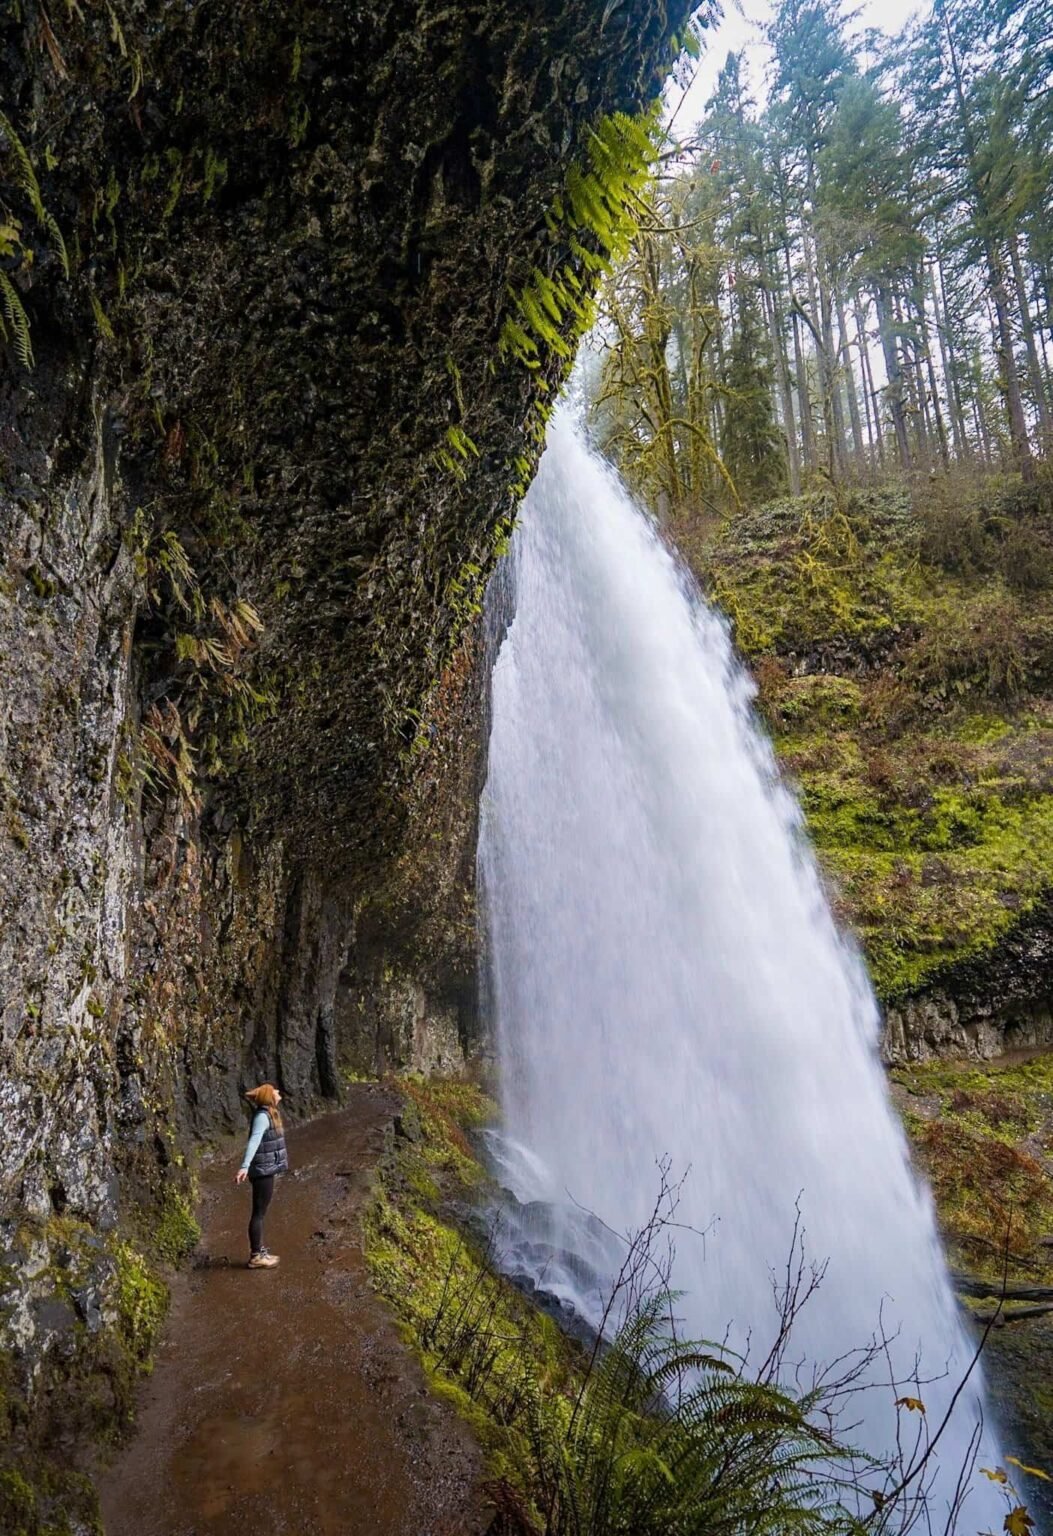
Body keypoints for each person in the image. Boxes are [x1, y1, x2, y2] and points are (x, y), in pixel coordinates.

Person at [234, 1083, 289, 1269]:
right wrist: (244, 1167)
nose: (278, 1092)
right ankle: (256, 1255)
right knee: (258, 1213)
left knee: (260, 1212)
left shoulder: (269, 1113)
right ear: (269, 1096)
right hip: (262, 1170)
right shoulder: (262, 1117)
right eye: (275, 1091)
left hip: (267, 1168)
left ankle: (259, 1252)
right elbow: (254, 1141)